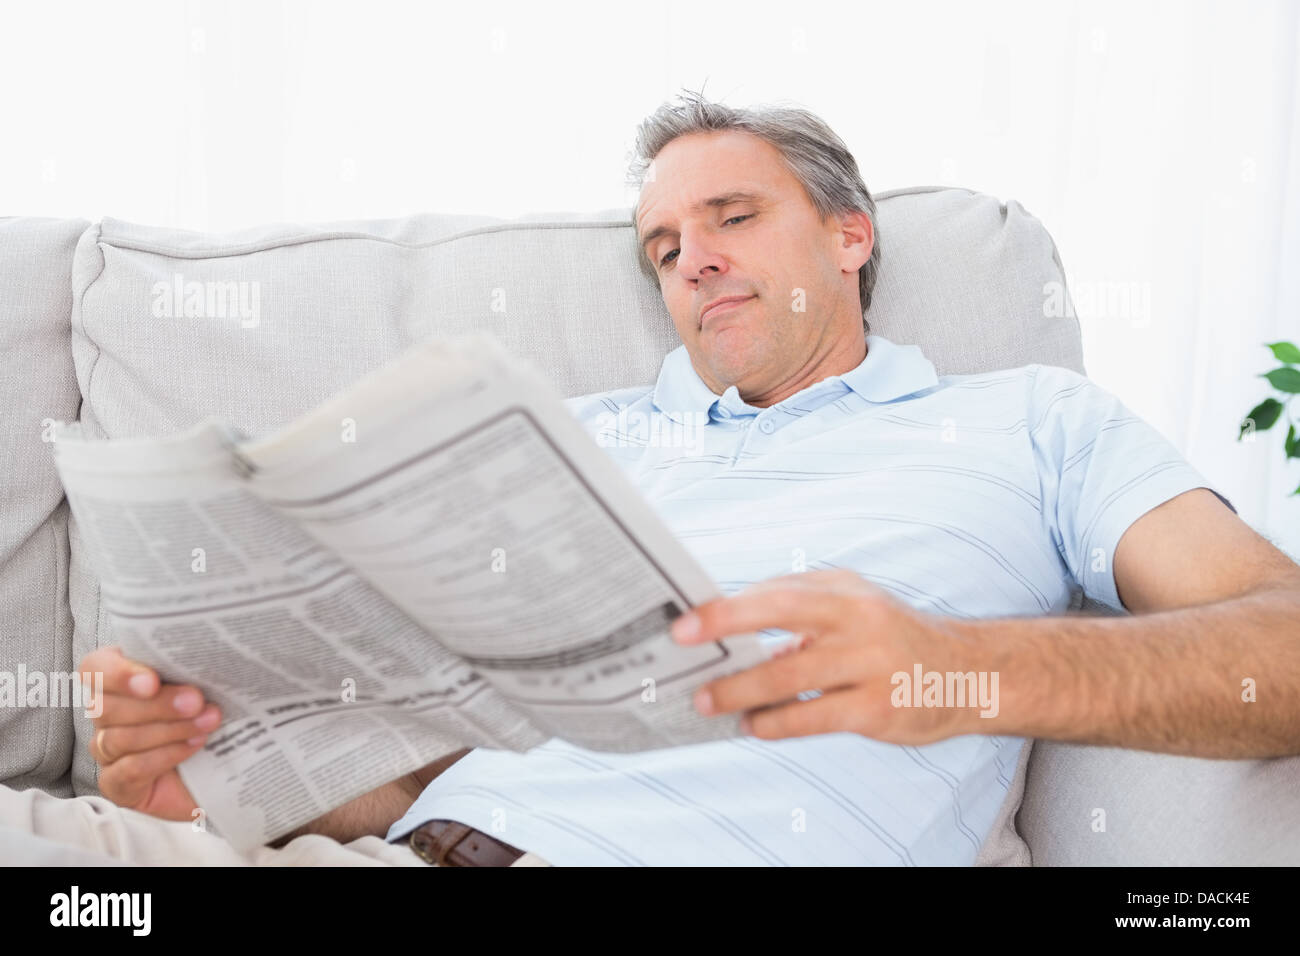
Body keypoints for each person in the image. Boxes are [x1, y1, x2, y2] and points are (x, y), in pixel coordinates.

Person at [13, 90, 1299, 866]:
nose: (691, 260)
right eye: (663, 244)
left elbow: (1281, 646)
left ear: (849, 236)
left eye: (734, 217)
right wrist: (241, 785)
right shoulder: (575, 440)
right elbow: (441, 771)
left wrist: (955, 669)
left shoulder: (1033, 421)